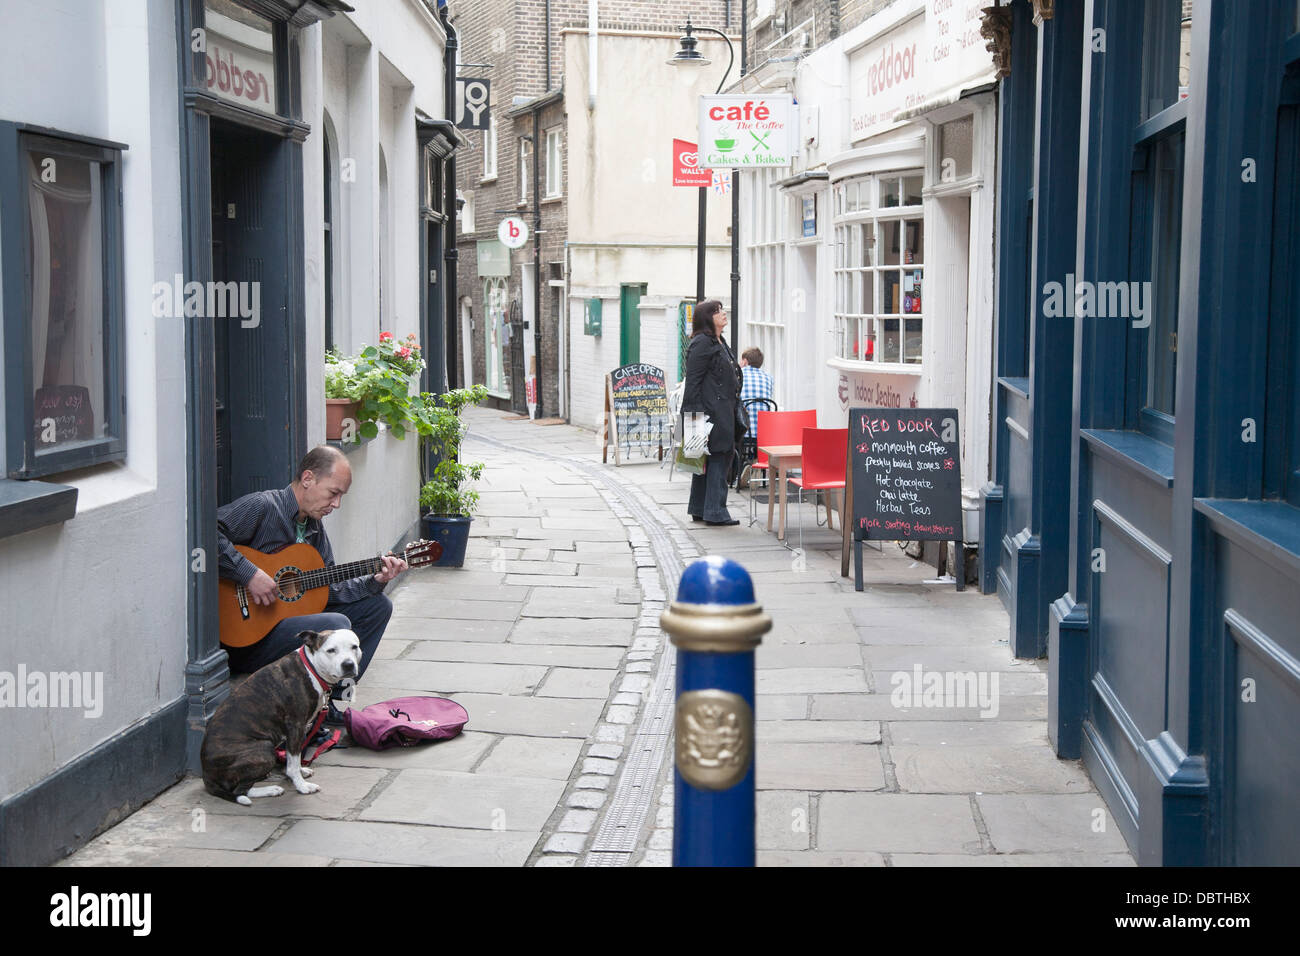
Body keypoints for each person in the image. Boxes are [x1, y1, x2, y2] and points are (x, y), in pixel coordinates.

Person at [216, 445, 408, 724]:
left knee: (378, 606)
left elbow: (328, 591)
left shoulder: (314, 529)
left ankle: (332, 701)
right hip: (244, 638)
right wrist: (249, 574)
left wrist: (375, 581)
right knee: (337, 623)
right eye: (333, 493)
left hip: (284, 631)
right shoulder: (262, 506)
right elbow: (205, 532)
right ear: (308, 479)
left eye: (341, 496)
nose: (337, 504)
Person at [682, 299, 746, 526]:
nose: (724, 314)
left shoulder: (719, 341)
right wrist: (694, 418)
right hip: (711, 412)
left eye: (723, 310)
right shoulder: (701, 343)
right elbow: (693, 383)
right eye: (718, 312)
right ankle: (715, 511)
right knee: (717, 458)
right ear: (708, 318)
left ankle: (701, 509)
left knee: (710, 459)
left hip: (723, 410)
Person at [739, 347, 775, 434]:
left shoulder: (738, 374)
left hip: (743, 431)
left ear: (745, 361)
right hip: (764, 432)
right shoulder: (769, 377)